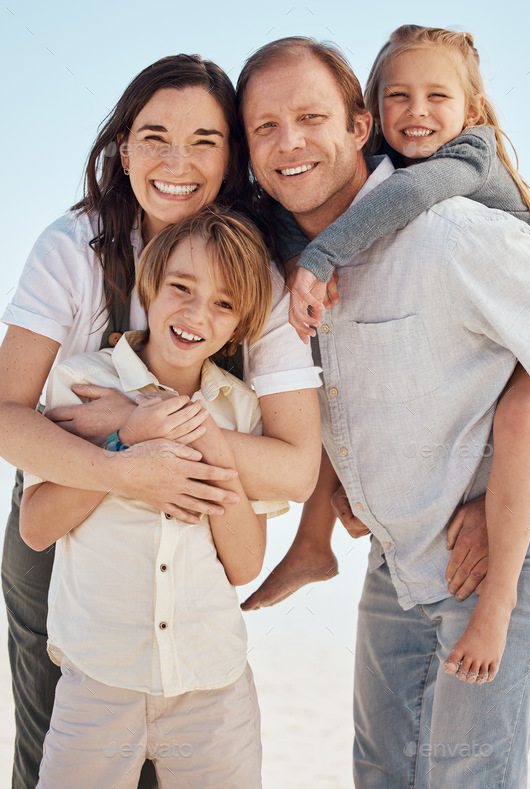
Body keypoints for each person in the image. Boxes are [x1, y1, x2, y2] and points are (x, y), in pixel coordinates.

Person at [237, 35, 530, 787]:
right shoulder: (285, 263)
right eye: (265, 126)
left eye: (309, 116)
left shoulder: (450, 233)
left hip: (507, 553)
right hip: (397, 560)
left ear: (360, 126)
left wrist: (508, 513)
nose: (288, 142)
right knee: (383, 773)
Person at [0, 54, 321, 789]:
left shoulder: (257, 271)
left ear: (232, 156)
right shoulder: (74, 248)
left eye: (206, 140)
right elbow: (5, 414)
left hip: (192, 553)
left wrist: (159, 424)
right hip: (61, 534)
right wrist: (121, 458)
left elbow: (293, 465)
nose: (178, 161)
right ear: (123, 146)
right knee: (47, 753)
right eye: (155, 137)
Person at [20, 207, 282, 789]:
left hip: (212, 689)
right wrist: (125, 442)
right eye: (181, 288)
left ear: (239, 327)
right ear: (150, 287)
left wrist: (196, 435)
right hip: (98, 685)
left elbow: (244, 564)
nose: (195, 314)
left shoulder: (239, 411)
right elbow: (36, 528)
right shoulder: (83, 384)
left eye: (223, 303)